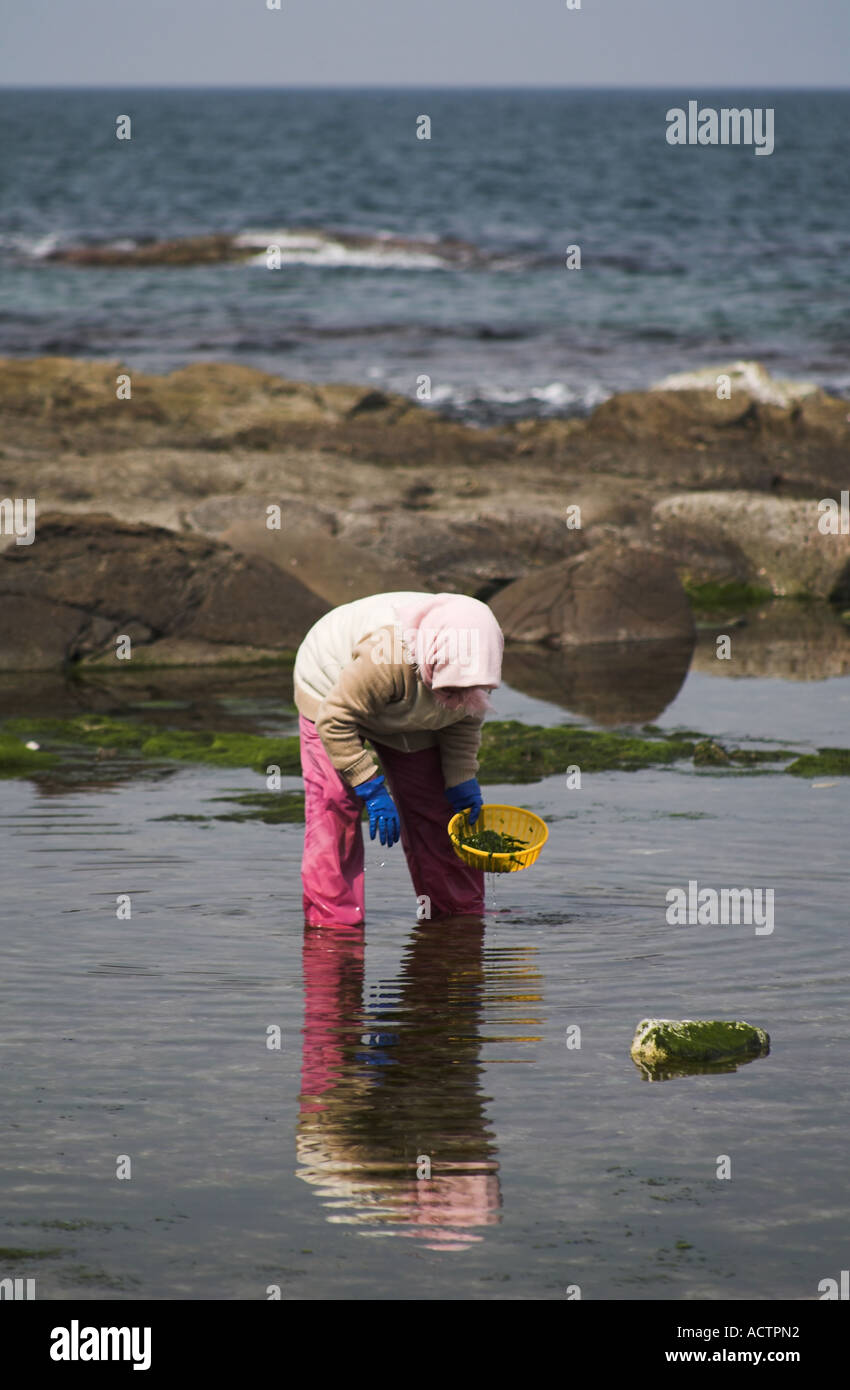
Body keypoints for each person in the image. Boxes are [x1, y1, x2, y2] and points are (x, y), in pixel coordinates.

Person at [293, 590, 504, 927]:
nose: (460, 699)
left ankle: (457, 918)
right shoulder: (386, 656)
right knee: (335, 804)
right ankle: (333, 926)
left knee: (438, 811)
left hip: (409, 703)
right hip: (331, 693)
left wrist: (462, 777)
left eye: (470, 690)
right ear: (432, 659)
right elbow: (334, 721)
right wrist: (370, 787)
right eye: (452, 691)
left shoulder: (478, 655)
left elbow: (463, 719)